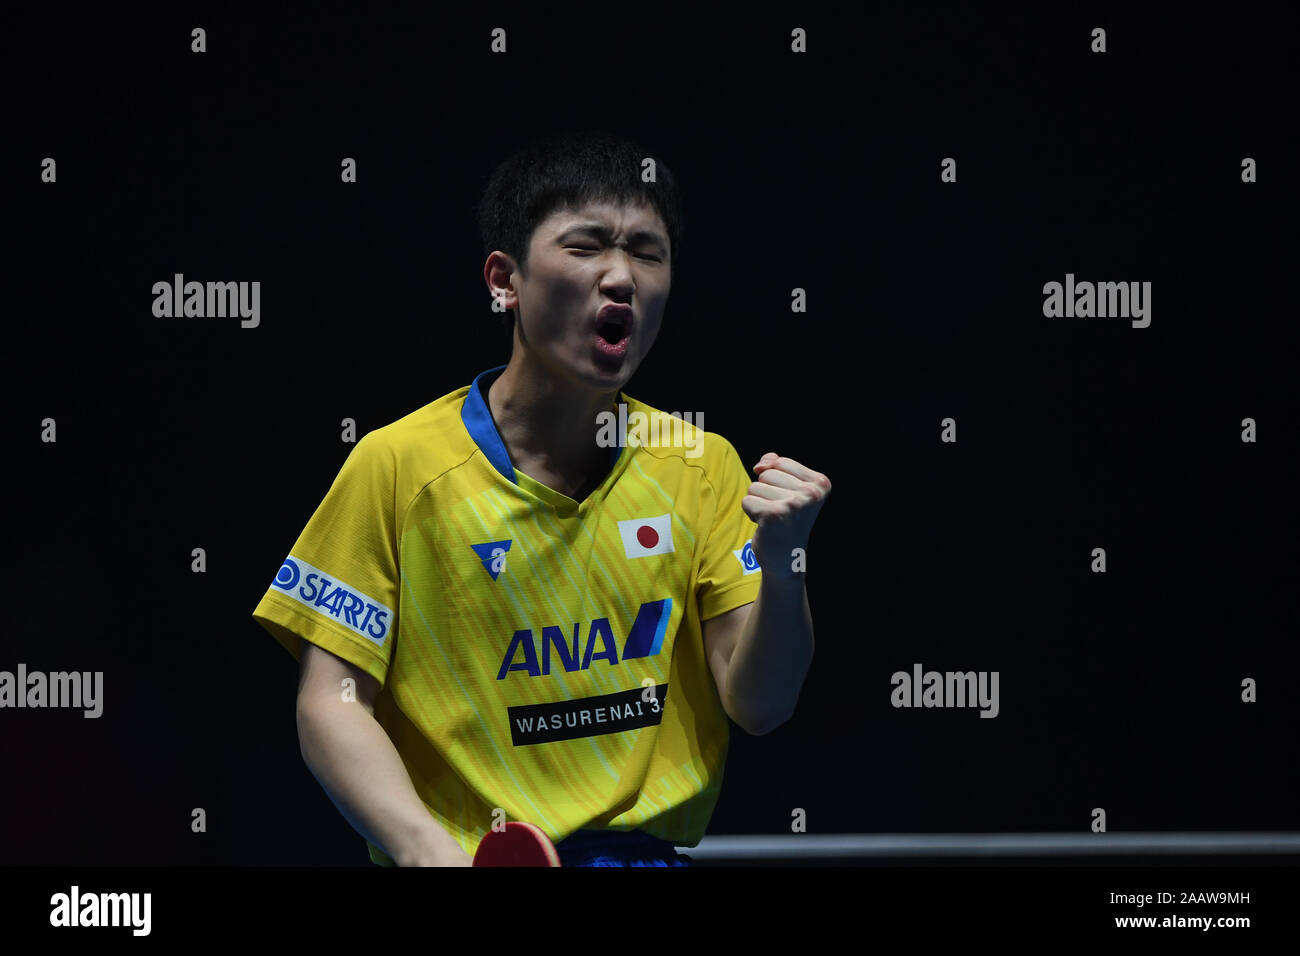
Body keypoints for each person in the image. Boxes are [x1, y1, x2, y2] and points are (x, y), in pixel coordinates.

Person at [251, 129, 829, 866]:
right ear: (505, 280)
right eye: (585, 247)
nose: (621, 277)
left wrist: (784, 568)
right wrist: (425, 851)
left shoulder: (702, 466)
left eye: (647, 253)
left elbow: (761, 705)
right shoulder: (397, 467)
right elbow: (330, 702)